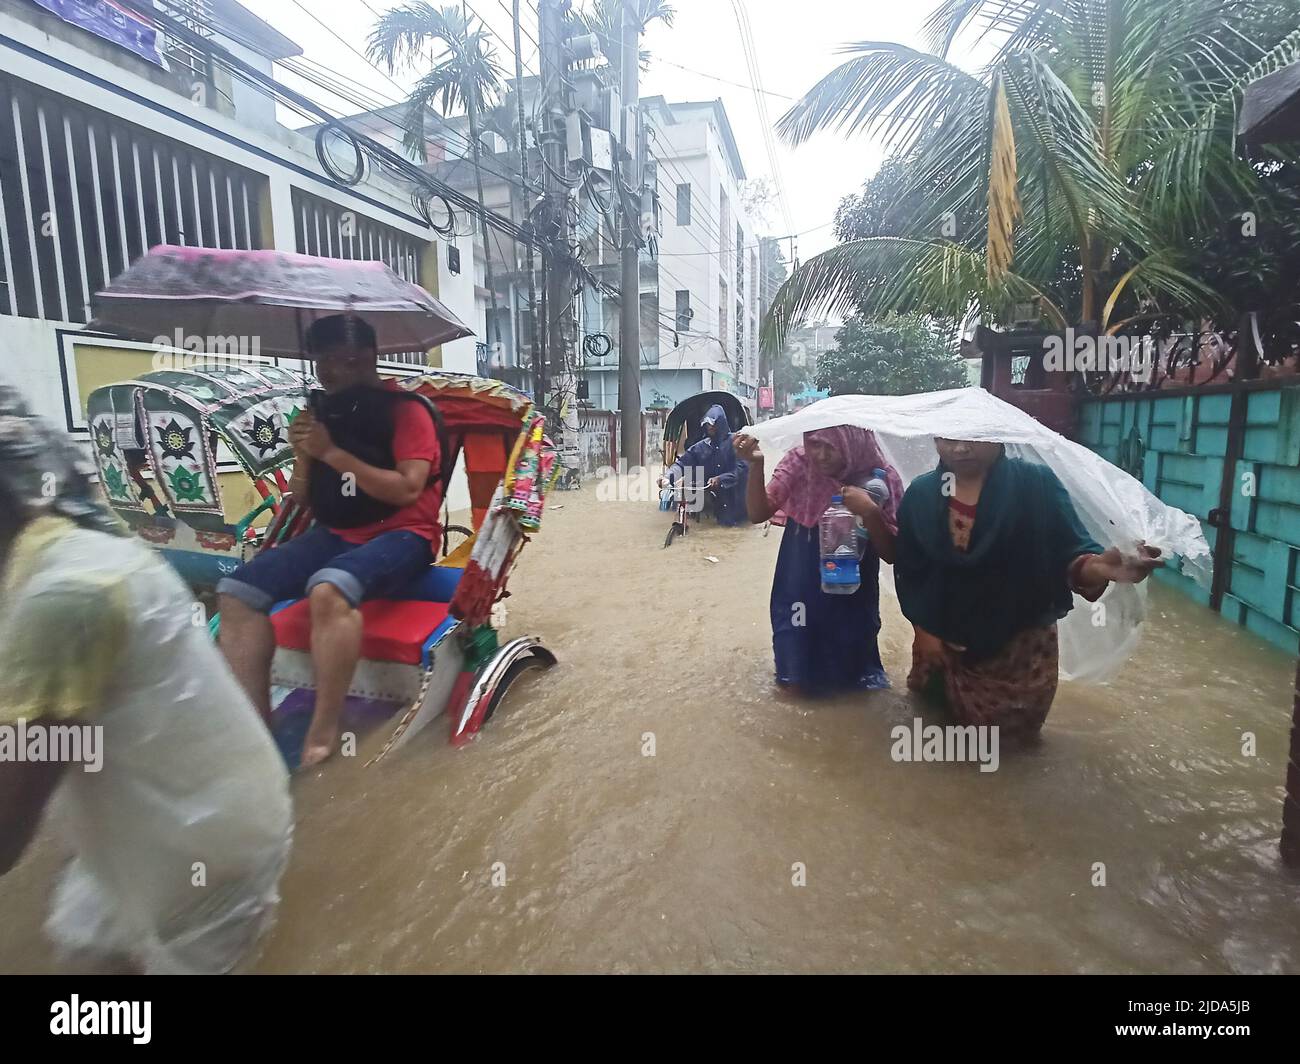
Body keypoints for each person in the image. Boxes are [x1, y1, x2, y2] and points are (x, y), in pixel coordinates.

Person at [0, 386, 291, 974]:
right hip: (133, 823)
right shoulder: (68, 561)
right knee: (84, 951)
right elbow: (64, 740)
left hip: (204, 849)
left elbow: (8, 822)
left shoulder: (66, 596)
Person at [218, 314, 444, 767]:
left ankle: (324, 729)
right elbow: (302, 496)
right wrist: (304, 454)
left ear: (366, 360)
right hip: (335, 533)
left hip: (405, 534)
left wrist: (331, 453)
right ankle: (259, 725)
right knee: (234, 592)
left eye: (340, 360)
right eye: (321, 360)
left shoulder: (409, 412)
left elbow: (406, 489)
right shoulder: (322, 415)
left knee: (328, 589)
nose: (328, 371)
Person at [889, 438, 1162, 737]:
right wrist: (924, 632)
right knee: (932, 732)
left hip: (1020, 647)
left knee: (1011, 748)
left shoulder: (1035, 485)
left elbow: (1071, 550)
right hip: (939, 645)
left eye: (974, 438)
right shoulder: (922, 494)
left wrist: (1100, 568)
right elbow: (911, 568)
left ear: (998, 435)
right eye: (948, 439)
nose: (961, 449)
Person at [734, 426, 905, 694]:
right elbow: (758, 513)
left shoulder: (881, 477)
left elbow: (892, 554)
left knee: (853, 677)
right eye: (815, 444)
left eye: (831, 447)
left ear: (853, 444)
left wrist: (870, 513)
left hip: (852, 584)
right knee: (794, 670)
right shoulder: (800, 462)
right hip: (799, 575)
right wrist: (756, 465)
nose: (821, 455)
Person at [658, 404, 747, 526]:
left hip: (735, 501)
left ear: (720, 423)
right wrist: (667, 477)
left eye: (712, 423)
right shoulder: (701, 447)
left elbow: (741, 470)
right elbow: (682, 464)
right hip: (711, 499)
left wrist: (721, 479)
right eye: (707, 424)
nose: (709, 427)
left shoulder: (736, 442)